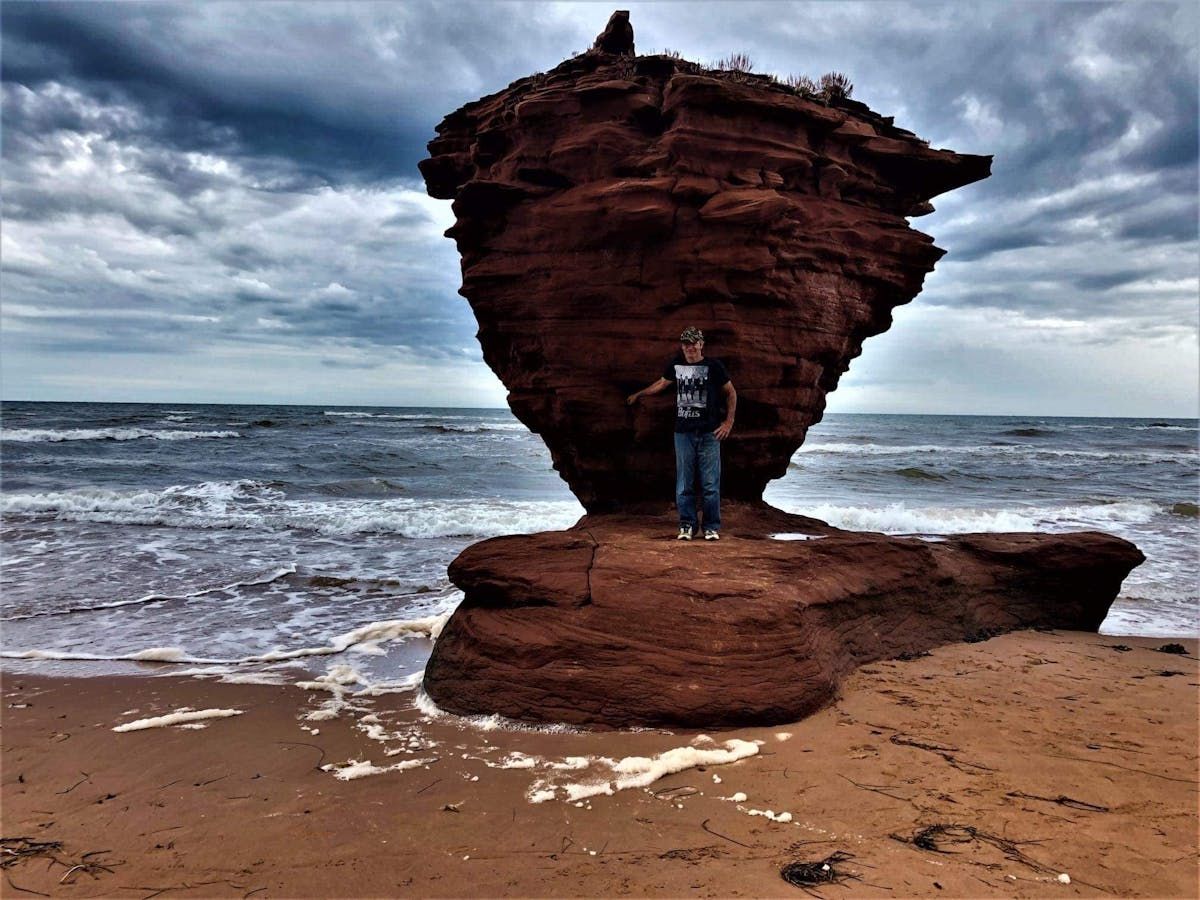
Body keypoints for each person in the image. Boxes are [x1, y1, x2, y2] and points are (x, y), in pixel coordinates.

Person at [626, 326, 737, 541]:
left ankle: (711, 527)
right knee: (684, 483)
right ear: (682, 346)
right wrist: (639, 394)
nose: (690, 347)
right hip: (683, 433)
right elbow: (661, 384)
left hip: (710, 433)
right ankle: (686, 525)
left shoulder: (714, 366)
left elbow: (731, 393)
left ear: (701, 344)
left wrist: (728, 423)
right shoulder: (676, 365)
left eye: (694, 343)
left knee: (710, 484)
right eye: (686, 343)